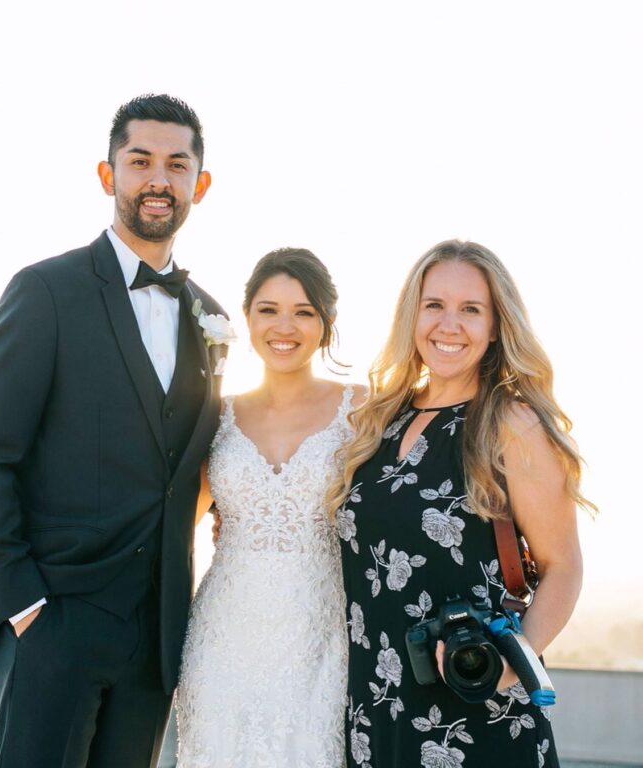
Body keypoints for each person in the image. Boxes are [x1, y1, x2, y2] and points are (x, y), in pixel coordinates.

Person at [0, 94, 230, 768]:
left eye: (176, 164)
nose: (158, 180)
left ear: (200, 184)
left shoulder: (210, 317)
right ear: (109, 176)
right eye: (140, 162)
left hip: (157, 638)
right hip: (55, 624)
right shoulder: (45, 292)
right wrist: (23, 607)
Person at [329, 240, 591, 767]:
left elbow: (563, 568)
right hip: (378, 712)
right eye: (435, 306)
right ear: (412, 315)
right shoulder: (379, 420)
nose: (449, 325)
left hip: (478, 713)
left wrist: (508, 669)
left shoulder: (512, 425)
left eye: (471, 309)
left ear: (495, 326)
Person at [175, 248, 366, 767]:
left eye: (304, 311)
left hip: (320, 645)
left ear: (326, 324)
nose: (285, 326)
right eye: (268, 309)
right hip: (222, 642)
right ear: (247, 317)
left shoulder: (367, 409)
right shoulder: (216, 414)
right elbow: (175, 521)